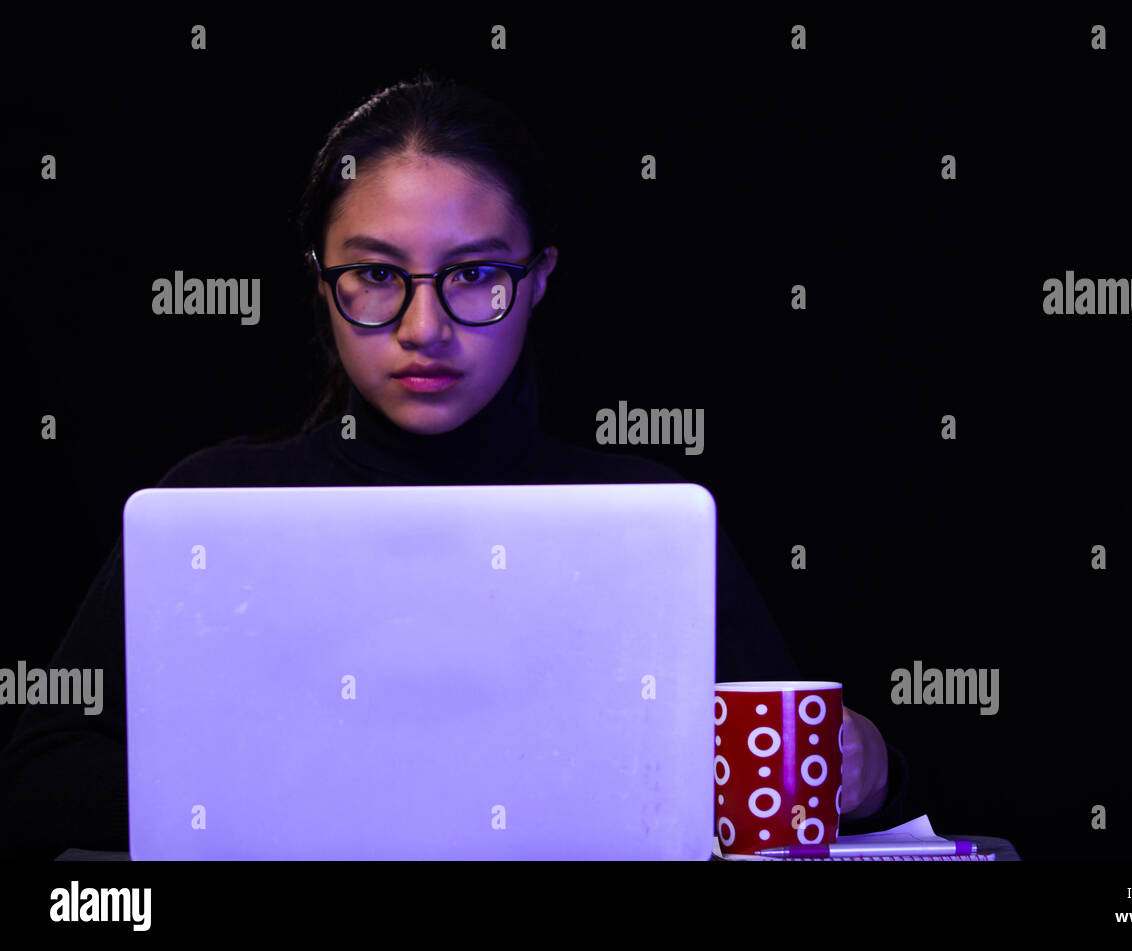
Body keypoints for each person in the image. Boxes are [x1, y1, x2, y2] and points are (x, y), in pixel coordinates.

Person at [0, 72, 909, 860]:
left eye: (475, 274)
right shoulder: (209, 506)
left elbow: (807, 771)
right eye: (377, 275)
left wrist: (862, 763)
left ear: (540, 277)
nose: (424, 328)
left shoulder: (646, 520)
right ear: (325, 283)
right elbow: (38, 779)